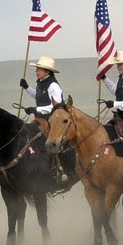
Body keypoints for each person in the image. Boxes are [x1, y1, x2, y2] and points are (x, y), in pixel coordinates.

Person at [20, 55, 75, 188]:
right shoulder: (41, 83)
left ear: (47, 71)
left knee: (51, 142)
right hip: (40, 118)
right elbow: (38, 96)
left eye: (39, 69)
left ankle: (59, 169)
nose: (36, 71)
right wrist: (27, 88)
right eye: (37, 69)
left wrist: (35, 108)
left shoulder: (53, 85)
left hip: (52, 120)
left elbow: (55, 106)